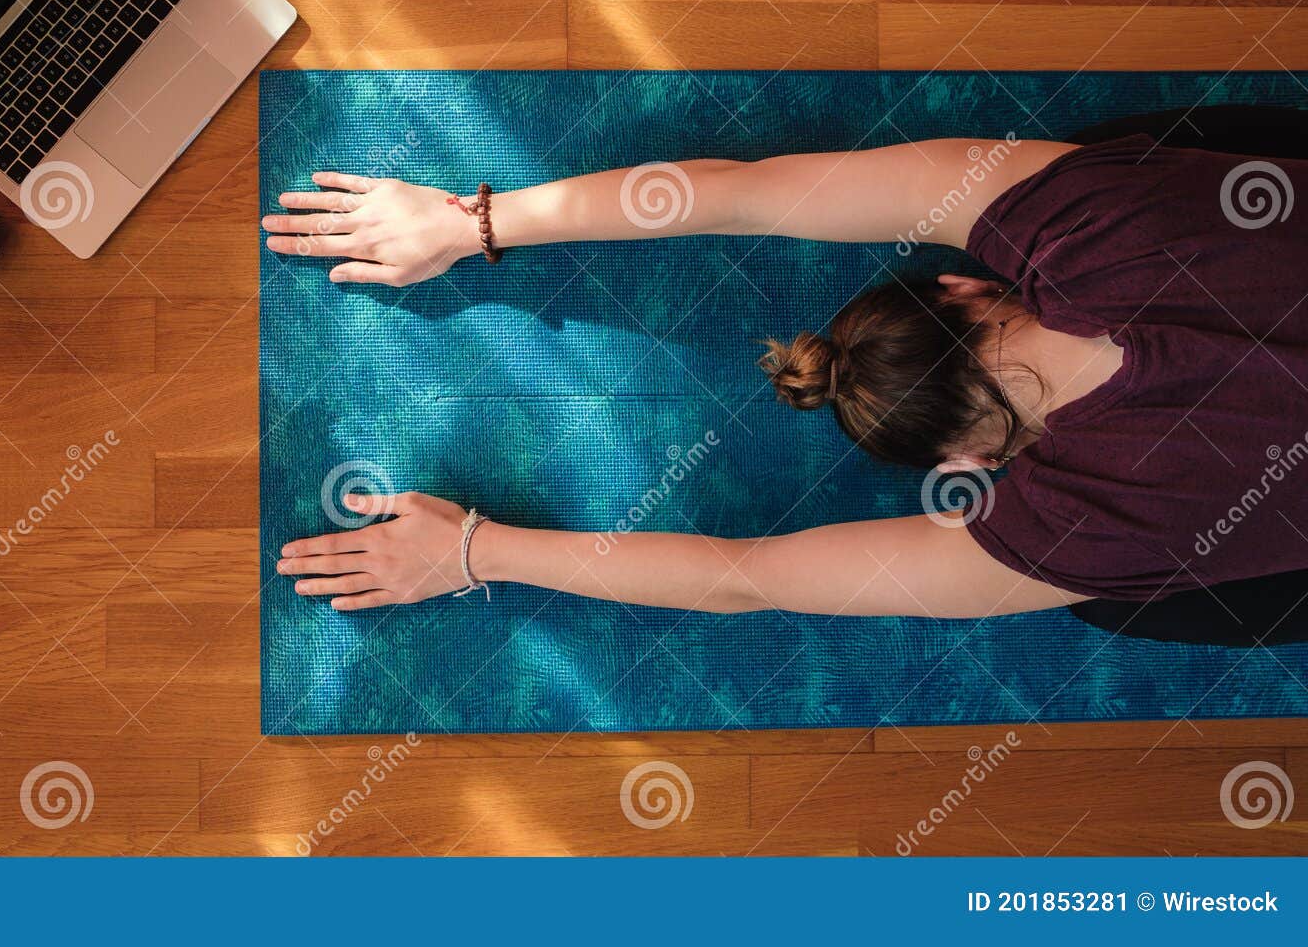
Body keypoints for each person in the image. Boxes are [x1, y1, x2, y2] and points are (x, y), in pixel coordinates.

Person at [260, 107, 1308, 646]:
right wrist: (474, 221)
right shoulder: (1081, 222)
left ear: (964, 457)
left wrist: (475, 550)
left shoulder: (1074, 529)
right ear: (958, 287)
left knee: (1119, 602)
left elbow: (747, 578)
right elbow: (745, 192)